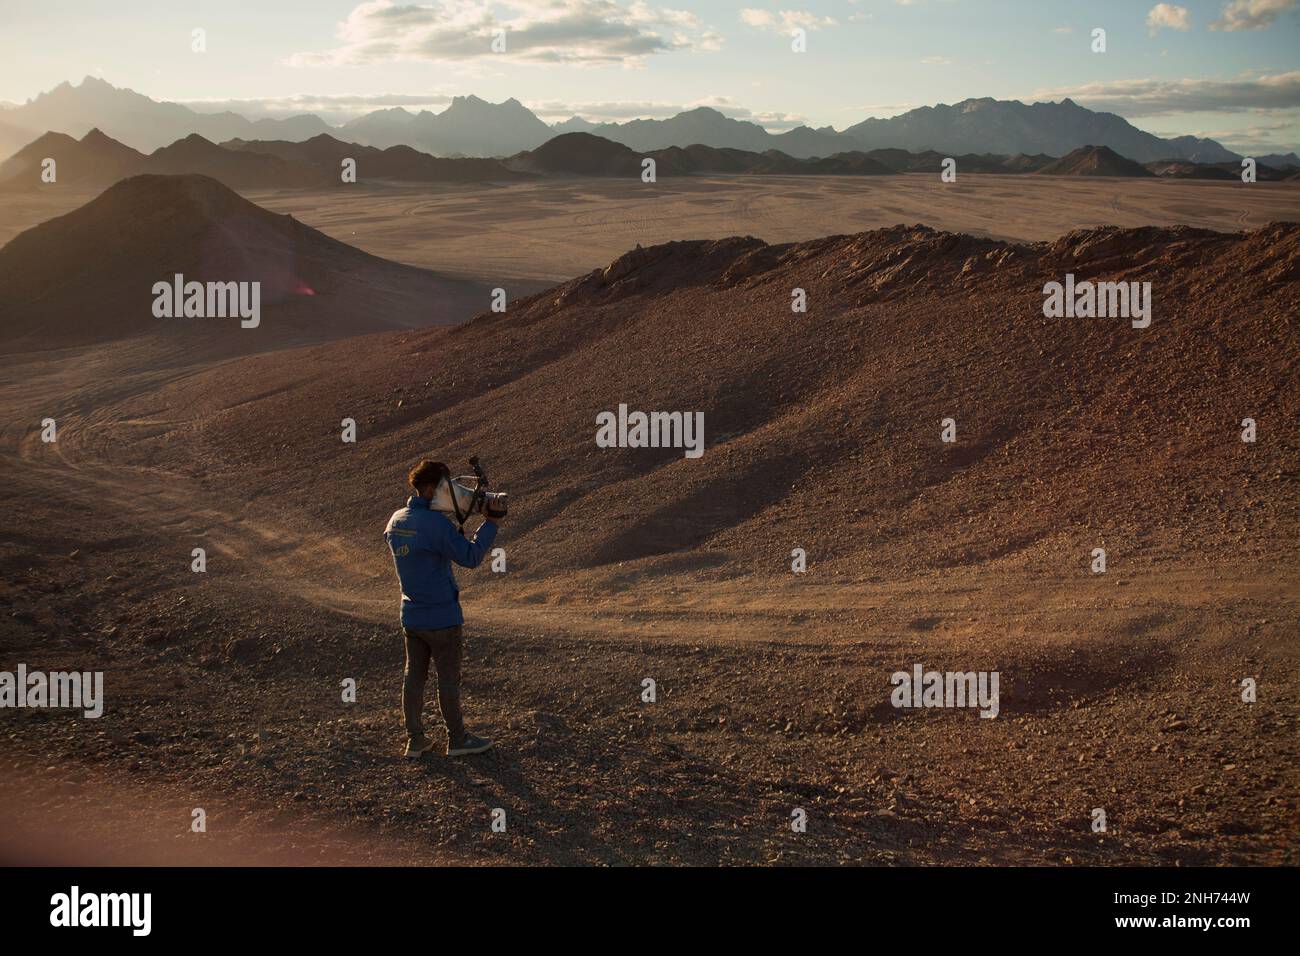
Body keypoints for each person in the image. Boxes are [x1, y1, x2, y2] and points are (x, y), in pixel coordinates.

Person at [383, 459, 502, 758]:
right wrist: (492, 524)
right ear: (428, 488)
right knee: (448, 680)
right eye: (444, 487)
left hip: (411, 615)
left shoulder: (396, 521)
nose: (450, 493)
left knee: (414, 677)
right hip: (442, 617)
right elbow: (471, 557)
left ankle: (415, 739)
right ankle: (458, 738)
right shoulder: (436, 525)